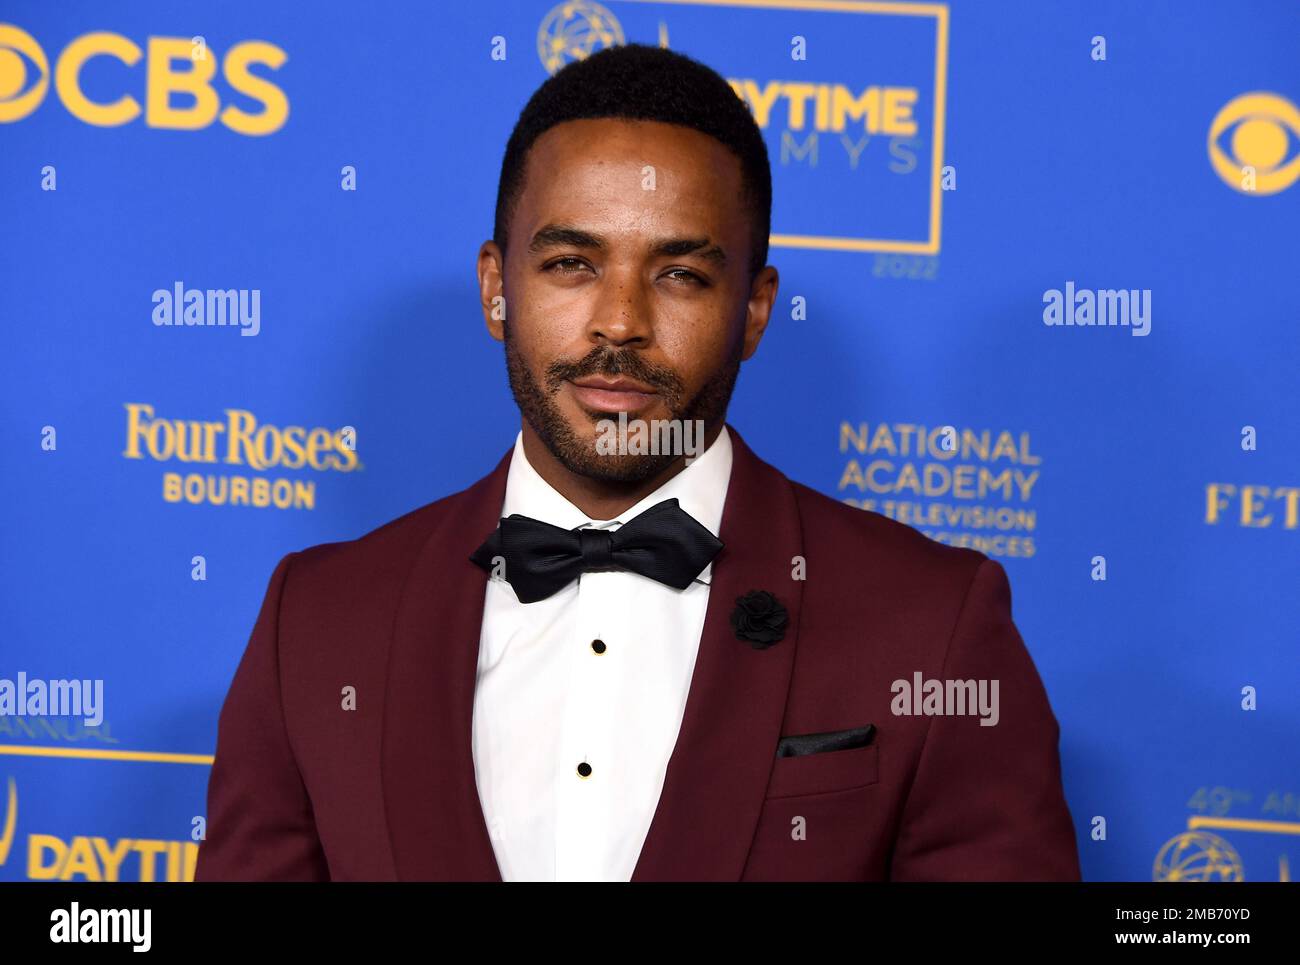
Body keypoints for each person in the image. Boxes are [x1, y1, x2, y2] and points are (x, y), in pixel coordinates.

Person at [195, 42, 1079, 881]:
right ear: (496, 288)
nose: (620, 321)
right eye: (572, 263)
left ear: (757, 310)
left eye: (681, 275)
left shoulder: (934, 627)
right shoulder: (314, 627)